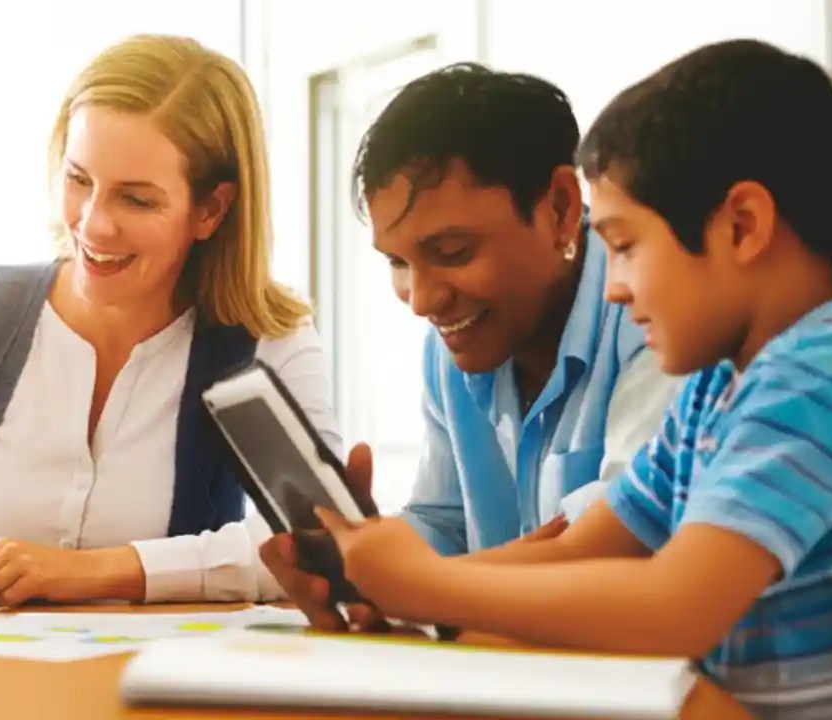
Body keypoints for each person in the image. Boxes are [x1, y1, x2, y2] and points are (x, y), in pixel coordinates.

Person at [315, 39, 832, 715]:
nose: (612, 287)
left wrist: (428, 590)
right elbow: (592, 547)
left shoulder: (811, 377)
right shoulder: (716, 390)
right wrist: (386, 584)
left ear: (741, 227)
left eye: (624, 246)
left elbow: (677, 606)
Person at [0, 34, 340, 612]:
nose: (93, 225)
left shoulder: (265, 339)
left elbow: (319, 542)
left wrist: (103, 571)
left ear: (211, 210)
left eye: (136, 201)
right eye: (79, 180)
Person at [261, 63, 679, 630]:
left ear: (558, 208)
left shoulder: (657, 318)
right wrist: (361, 558)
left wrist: (415, 587)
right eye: (397, 262)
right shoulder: (456, 344)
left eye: (453, 251)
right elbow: (445, 525)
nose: (421, 299)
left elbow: (621, 539)